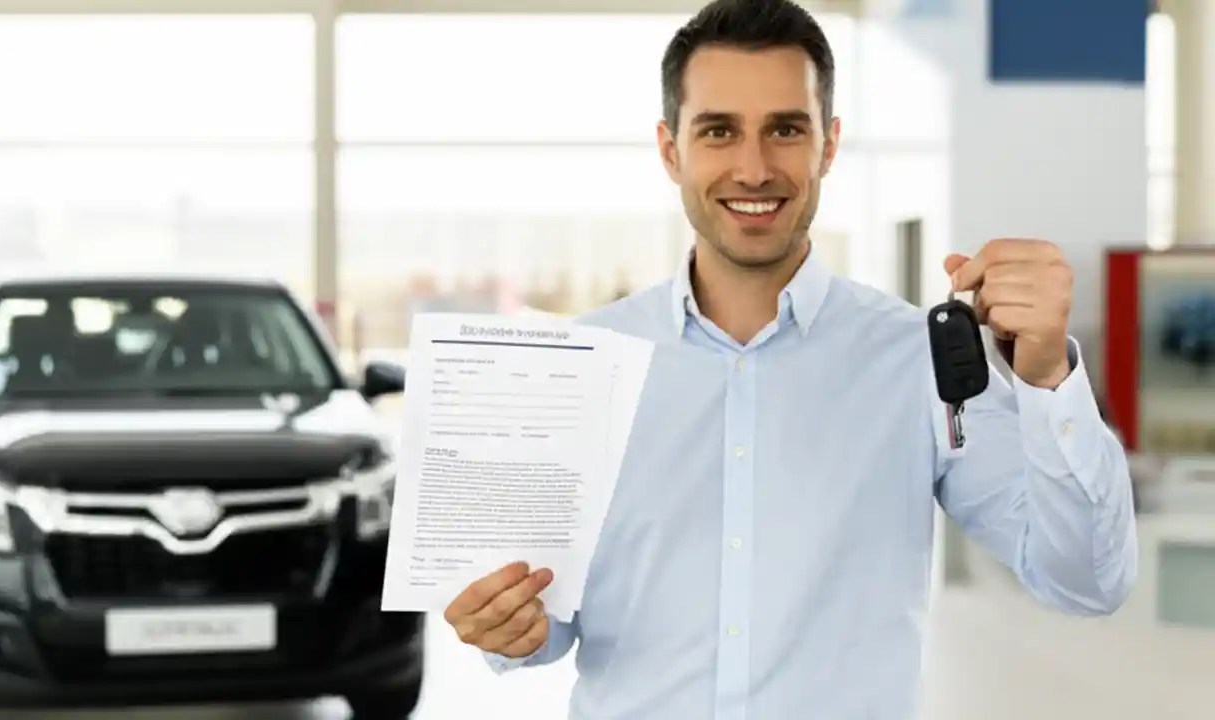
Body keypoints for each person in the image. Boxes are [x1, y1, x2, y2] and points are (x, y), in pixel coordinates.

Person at [441, 0, 1139, 717]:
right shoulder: (585, 363)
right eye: (718, 131)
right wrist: (511, 628)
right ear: (670, 148)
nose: (753, 168)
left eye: (785, 129)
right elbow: (546, 622)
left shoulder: (916, 359)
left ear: (828, 145)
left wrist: (1048, 378)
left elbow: (1086, 581)